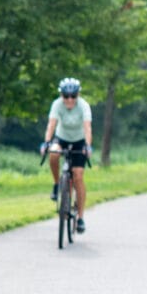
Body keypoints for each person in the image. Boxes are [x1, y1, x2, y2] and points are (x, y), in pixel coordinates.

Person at [42, 77, 93, 233]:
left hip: (79, 141)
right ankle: (58, 183)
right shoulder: (57, 105)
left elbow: (87, 128)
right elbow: (51, 124)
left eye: (73, 96)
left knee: (78, 175)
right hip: (62, 138)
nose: (69, 100)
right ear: (61, 96)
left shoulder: (84, 106)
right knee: (54, 153)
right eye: (66, 96)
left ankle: (81, 218)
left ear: (78, 95)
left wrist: (88, 146)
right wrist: (46, 142)